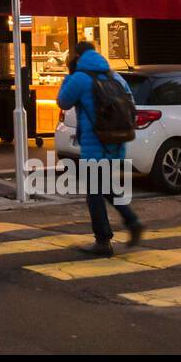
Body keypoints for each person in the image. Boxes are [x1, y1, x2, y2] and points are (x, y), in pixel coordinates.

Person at [56, 40, 145, 257]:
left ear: (77, 57)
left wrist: (67, 77)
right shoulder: (115, 77)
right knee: (103, 186)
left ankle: (103, 241)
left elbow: (63, 102)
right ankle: (131, 222)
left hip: (95, 143)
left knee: (95, 192)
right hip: (116, 140)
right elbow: (130, 104)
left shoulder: (79, 78)